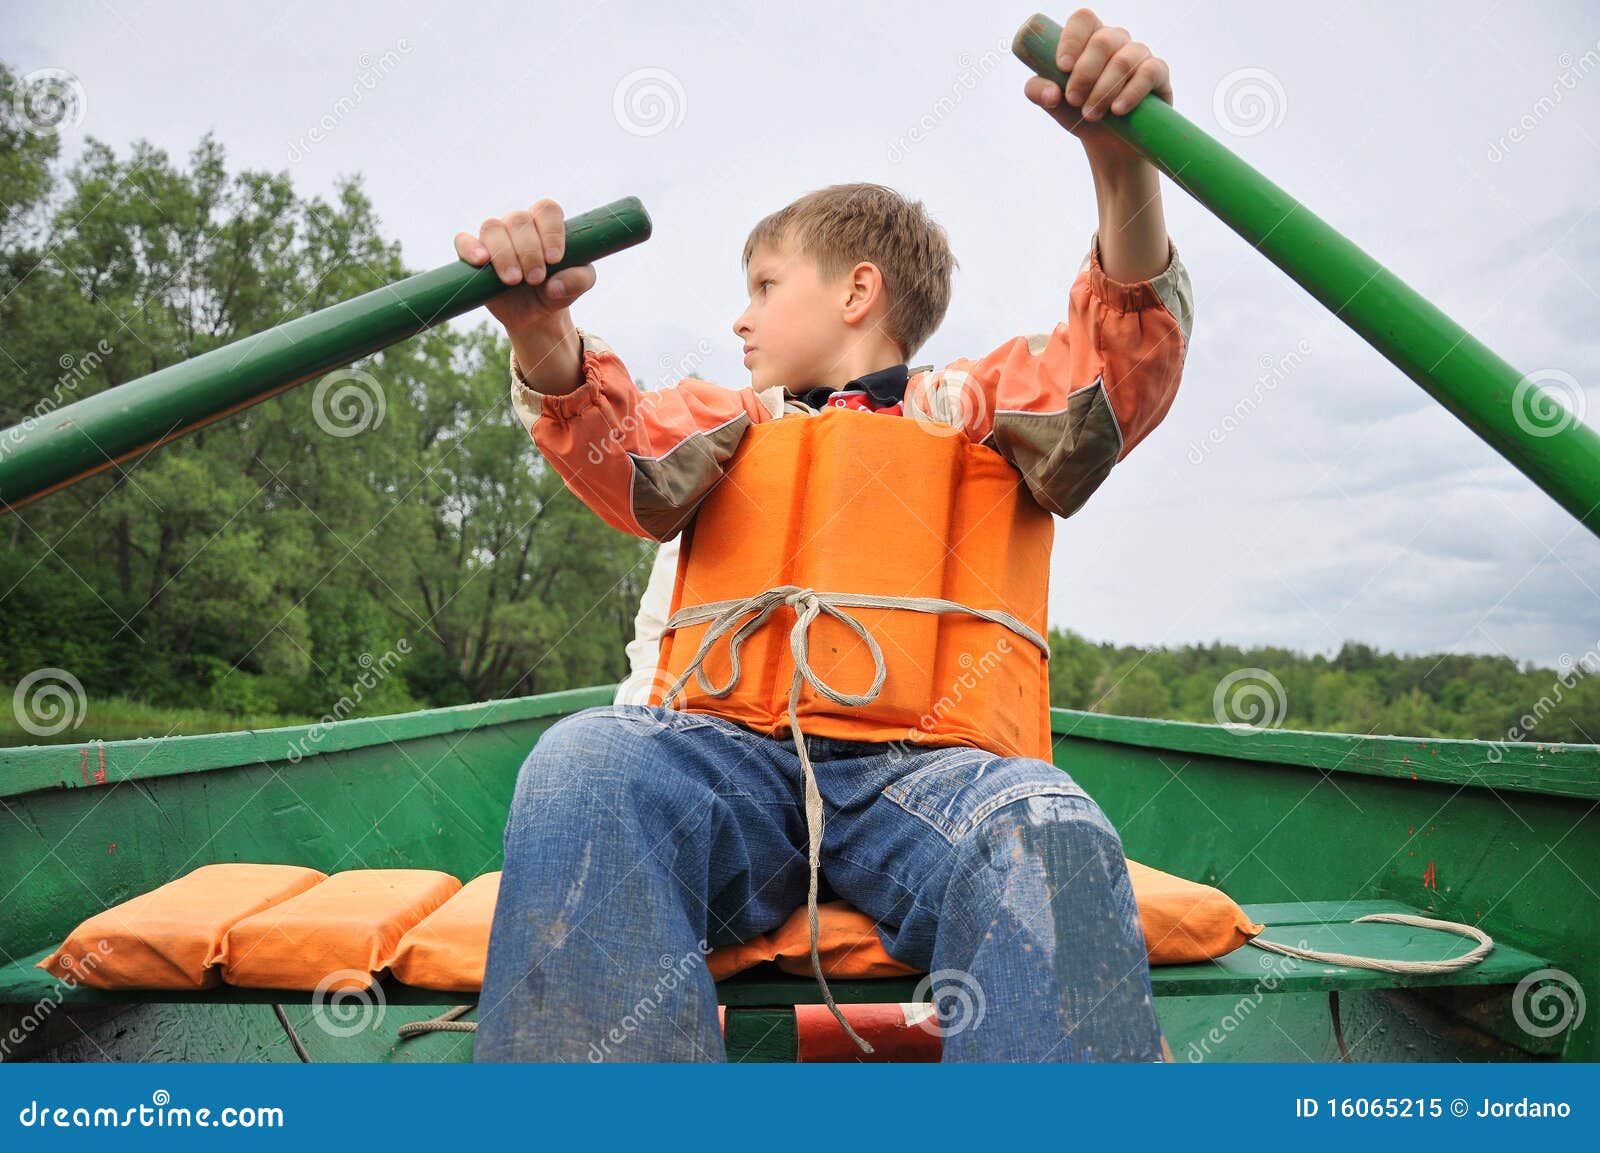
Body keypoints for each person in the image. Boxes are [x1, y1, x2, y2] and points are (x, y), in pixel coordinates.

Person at [463, 8, 1192, 1061]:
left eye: (763, 286)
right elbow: (614, 450)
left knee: (1050, 823)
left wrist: (1122, 169)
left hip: (932, 772)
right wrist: (542, 332)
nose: (741, 319)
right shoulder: (723, 421)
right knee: (585, 762)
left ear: (859, 291)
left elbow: (1116, 361)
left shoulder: (985, 406)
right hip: (732, 762)